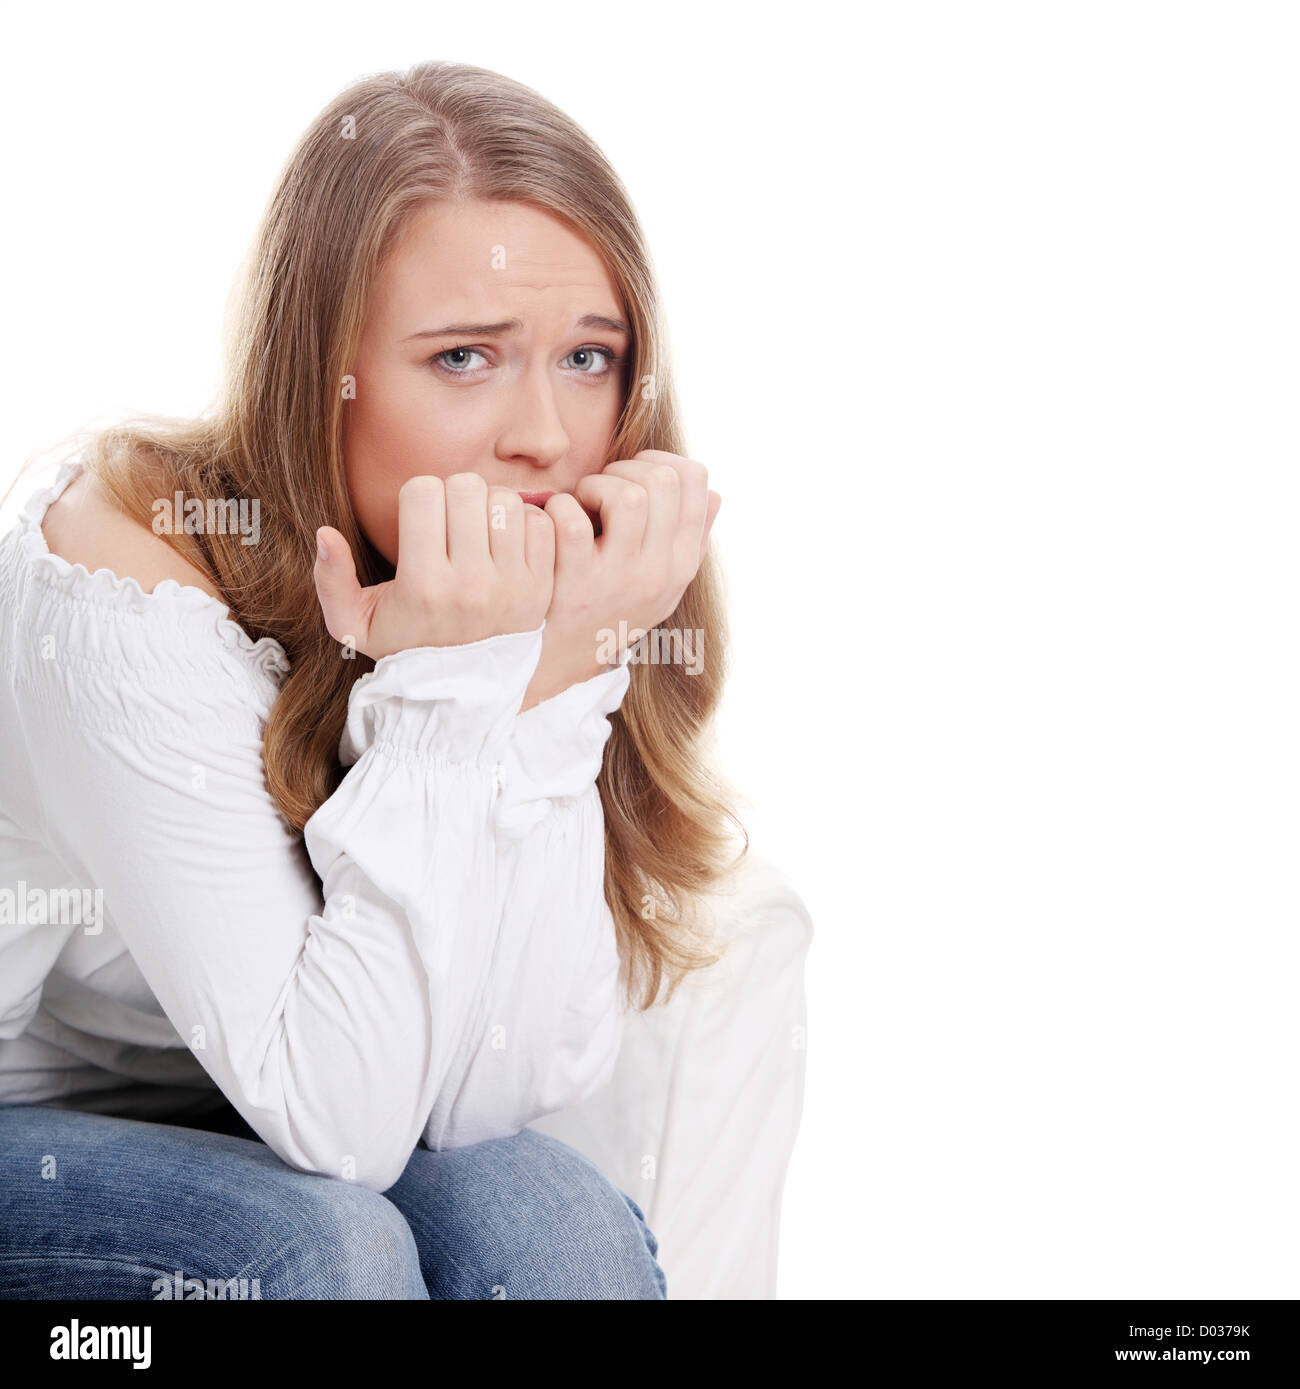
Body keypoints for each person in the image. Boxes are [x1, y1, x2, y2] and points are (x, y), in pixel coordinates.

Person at [0, 60, 745, 1300]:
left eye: (587, 358)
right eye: (464, 359)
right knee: (321, 1250)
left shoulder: (537, 594)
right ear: (320, 374)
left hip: (264, 1098)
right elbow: (339, 1125)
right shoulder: (124, 576)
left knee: (551, 1224)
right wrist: (460, 695)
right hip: (34, 1115)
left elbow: (489, 1087)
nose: (547, 437)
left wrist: (557, 669)